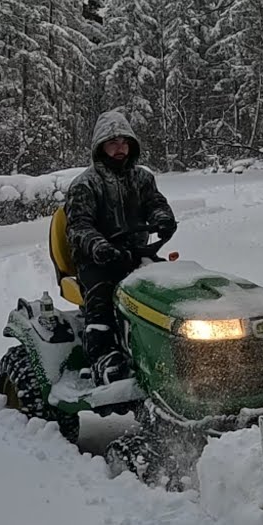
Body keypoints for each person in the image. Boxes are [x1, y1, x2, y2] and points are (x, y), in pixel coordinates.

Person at [65, 110, 177, 385]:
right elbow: (78, 226)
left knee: (169, 288)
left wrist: (163, 219)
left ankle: (177, 344)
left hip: (137, 253)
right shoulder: (85, 185)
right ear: (100, 146)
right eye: (113, 142)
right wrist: (99, 246)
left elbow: (155, 203)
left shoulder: (142, 178)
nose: (120, 149)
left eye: (125, 142)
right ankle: (104, 355)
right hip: (97, 260)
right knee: (102, 296)